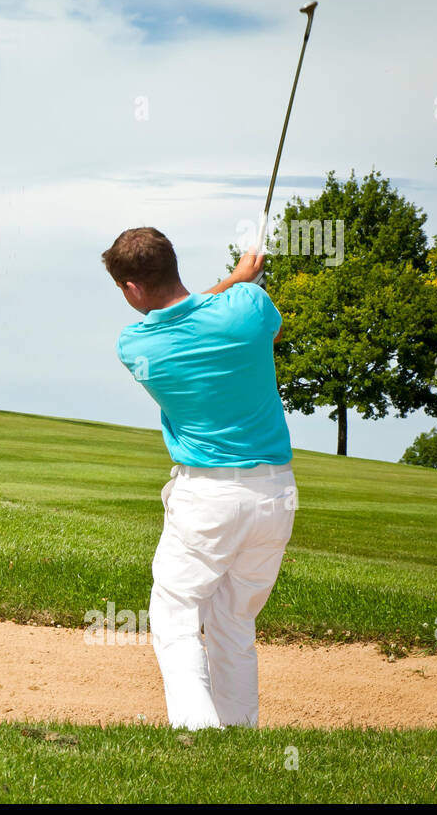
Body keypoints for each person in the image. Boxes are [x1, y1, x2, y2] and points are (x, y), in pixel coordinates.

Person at [103, 226, 297, 730]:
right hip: (275, 494)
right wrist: (241, 281)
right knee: (234, 621)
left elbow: (178, 320)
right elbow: (265, 330)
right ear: (173, 263)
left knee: (175, 615)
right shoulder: (249, 306)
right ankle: (236, 733)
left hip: (206, 496)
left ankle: (198, 732)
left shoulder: (137, 345)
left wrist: (232, 280)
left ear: (132, 289)